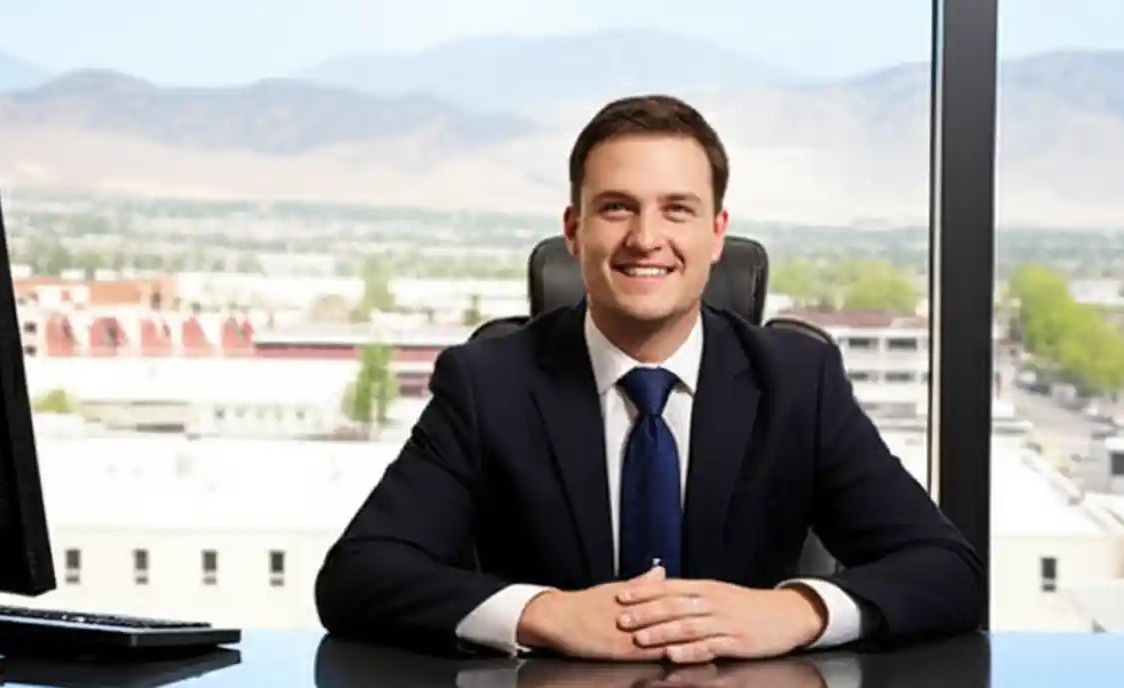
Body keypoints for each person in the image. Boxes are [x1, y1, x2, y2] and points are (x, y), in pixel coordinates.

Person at [314, 94, 983, 664]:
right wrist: (544, 613)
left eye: (677, 209)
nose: (645, 237)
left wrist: (793, 611)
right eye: (616, 208)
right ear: (574, 231)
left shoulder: (797, 381)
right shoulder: (487, 383)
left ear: (717, 234)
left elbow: (947, 570)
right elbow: (359, 575)